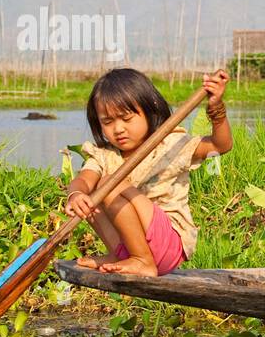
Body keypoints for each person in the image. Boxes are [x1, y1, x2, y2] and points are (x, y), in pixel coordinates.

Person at [66, 67, 232, 276]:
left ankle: (142, 260)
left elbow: (221, 146)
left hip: (167, 245)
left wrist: (217, 112)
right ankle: (121, 255)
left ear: (149, 111)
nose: (118, 129)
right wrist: (76, 195)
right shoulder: (104, 156)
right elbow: (84, 180)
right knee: (90, 199)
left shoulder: (170, 145)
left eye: (126, 119)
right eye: (108, 122)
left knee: (111, 183)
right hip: (128, 246)